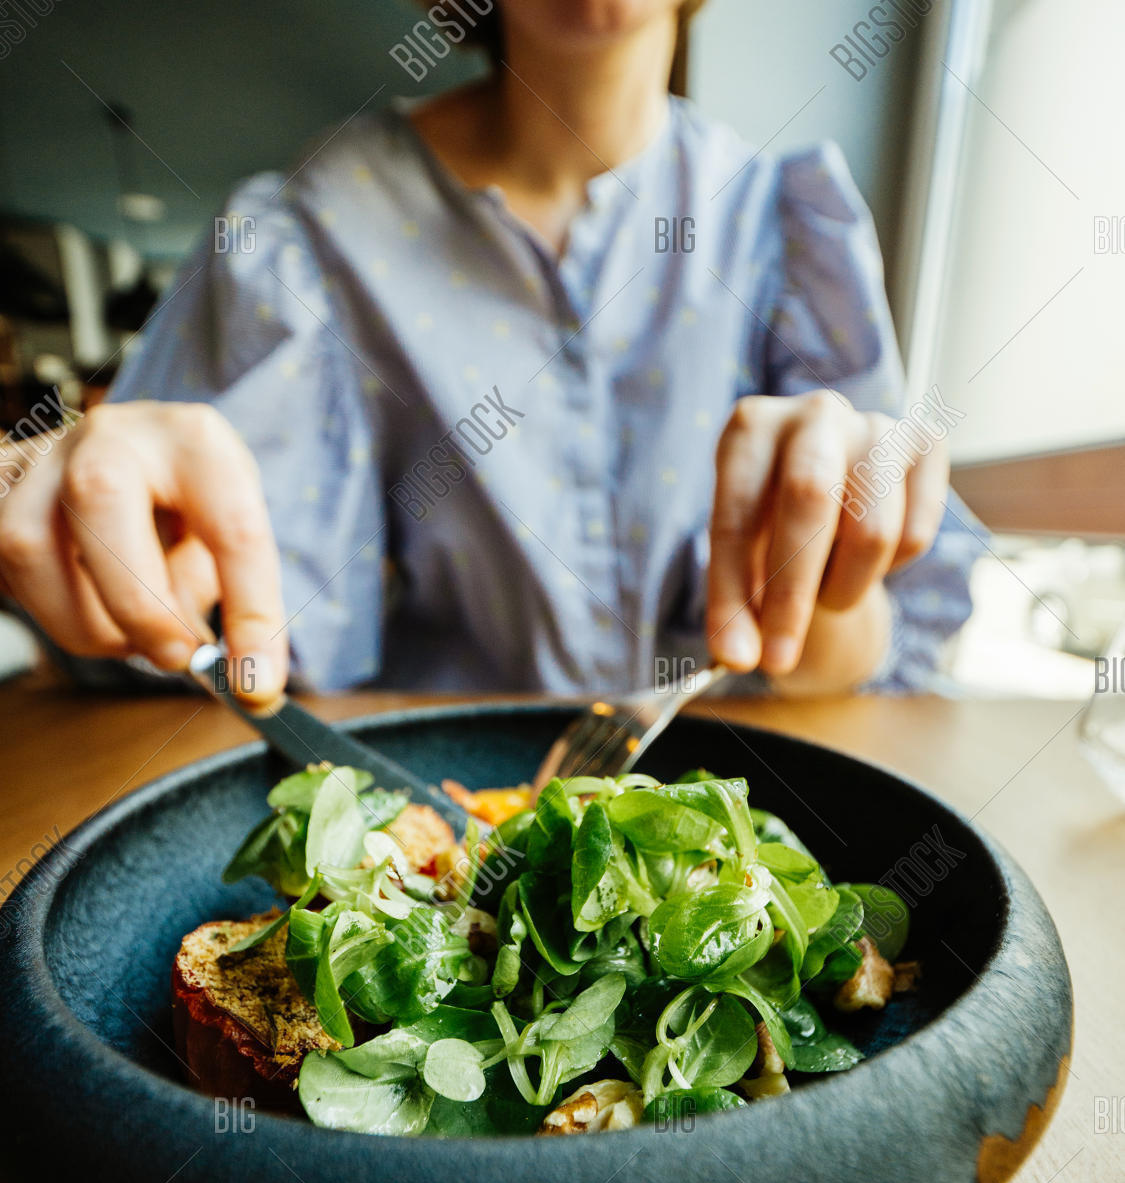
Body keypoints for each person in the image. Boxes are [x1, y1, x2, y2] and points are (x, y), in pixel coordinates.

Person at [0, 0, 984, 706]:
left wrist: (818, 580)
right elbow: (240, 643)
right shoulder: (303, 233)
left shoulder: (786, 225)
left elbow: (856, 662)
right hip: (425, 831)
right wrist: (84, 516)